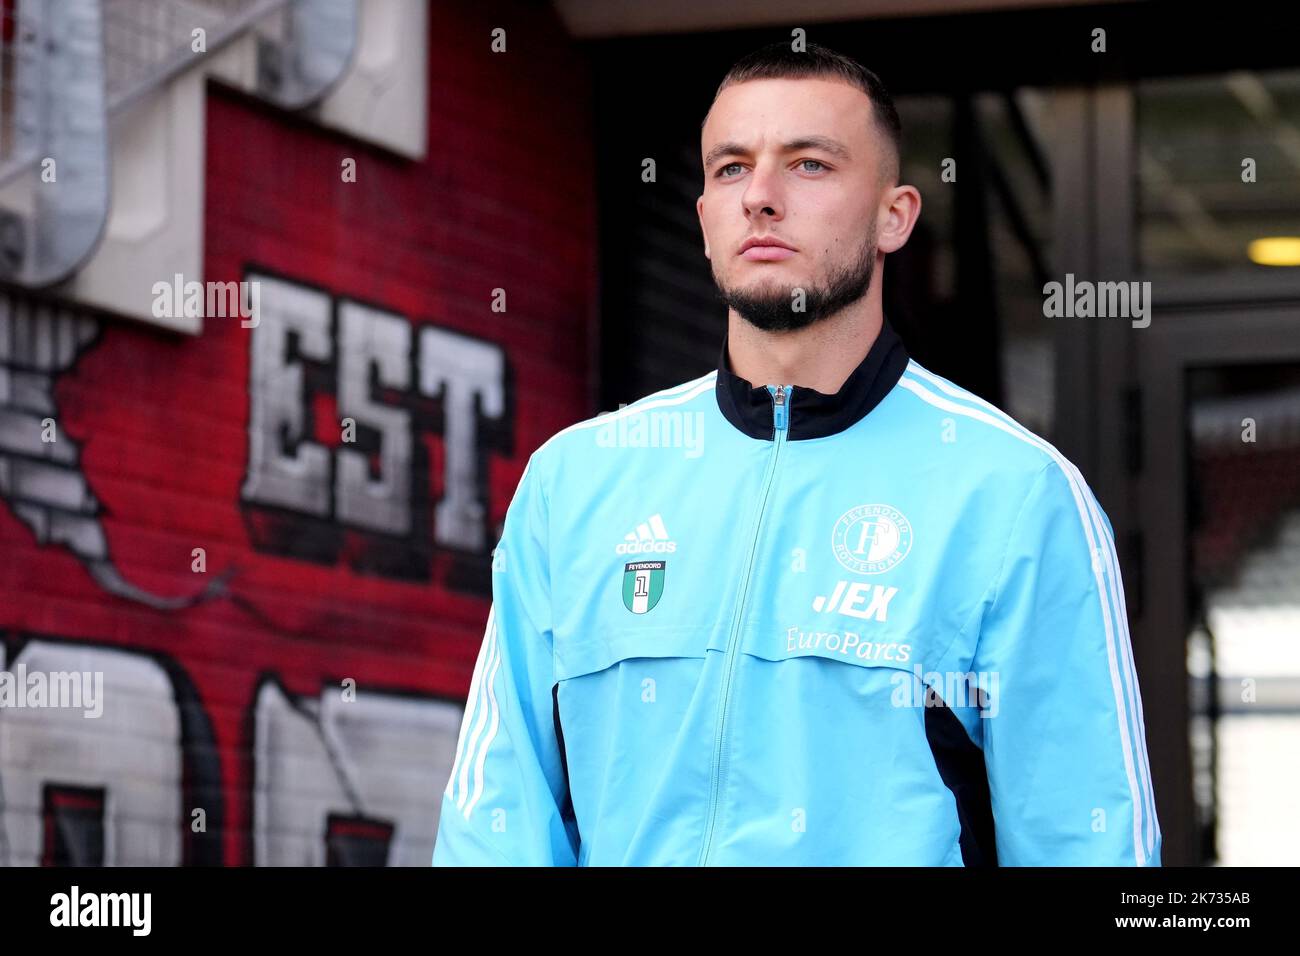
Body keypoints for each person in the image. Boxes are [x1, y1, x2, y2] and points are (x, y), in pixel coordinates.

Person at [432, 41, 1161, 866]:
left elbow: (1086, 842)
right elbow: (497, 821)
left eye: (809, 165)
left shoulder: (1016, 496)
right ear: (704, 214)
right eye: (733, 168)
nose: (763, 199)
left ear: (896, 216)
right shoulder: (576, 482)